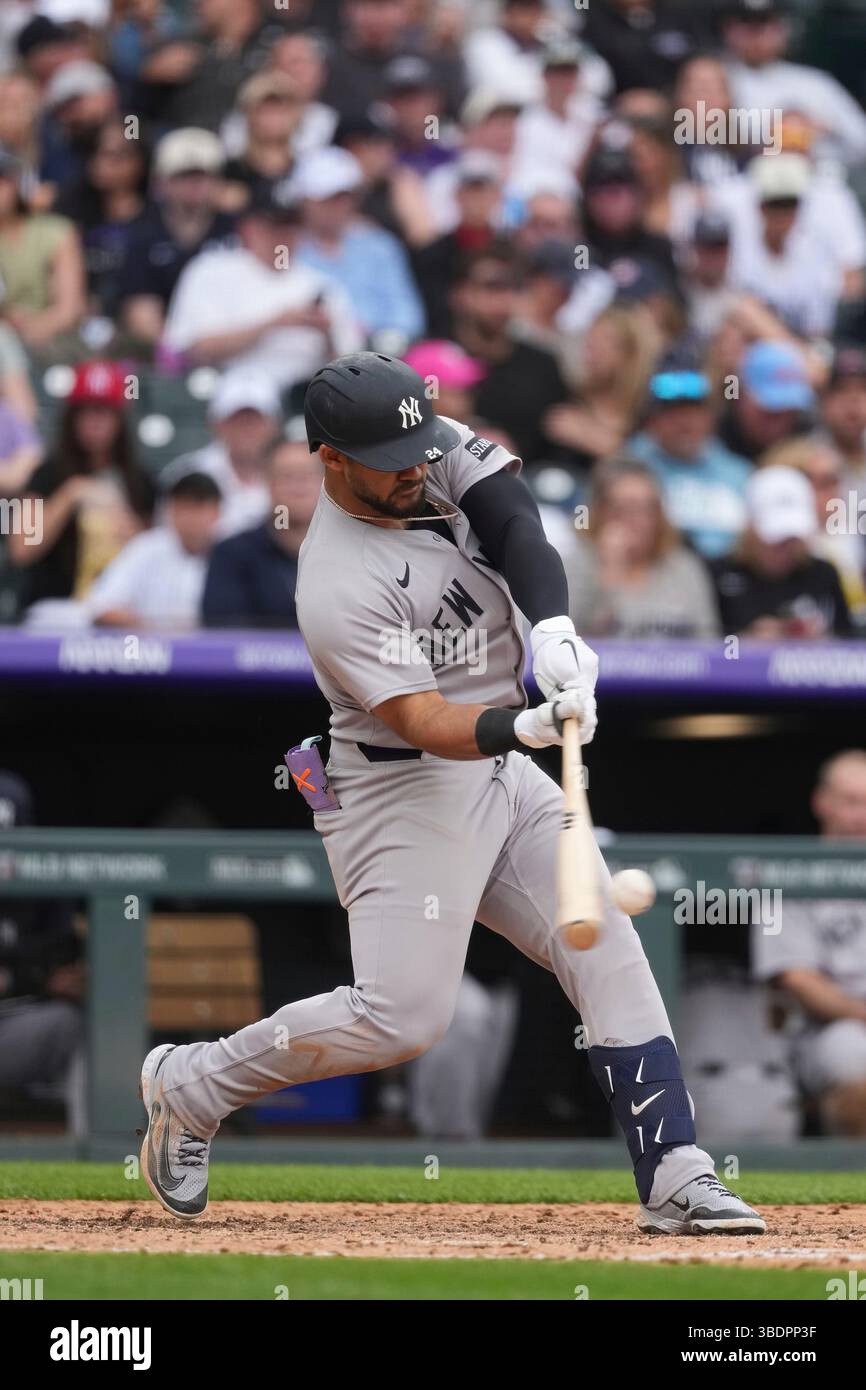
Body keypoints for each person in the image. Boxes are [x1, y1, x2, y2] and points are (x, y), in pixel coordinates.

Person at [139, 349, 765, 1235]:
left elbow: (511, 518)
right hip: (400, 790)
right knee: (403, 1018)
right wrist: (527, 727)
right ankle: (190, 1084)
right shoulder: (336, 584)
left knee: (607, 944)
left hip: (501, 768)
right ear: (331, 460)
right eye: (392, 466)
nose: (417, 472)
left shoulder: (416, 436)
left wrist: (550, 628)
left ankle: (676, 1171)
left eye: (422, 452)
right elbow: (426, 720)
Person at [161, 179, 362, 396]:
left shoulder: (322, 284)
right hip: (225, 390)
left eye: (291, 226)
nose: (284, 235)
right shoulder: (211, 270)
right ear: (249, 228)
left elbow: (351, 374)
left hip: (305, 395)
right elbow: (192, 350)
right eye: (275, 226)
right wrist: (274, 323)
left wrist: (326, 333)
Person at [753, 751, 866, 1135]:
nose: (861, 815)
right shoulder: (789, 873)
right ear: (823, 803)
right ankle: (855, 1187)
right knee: (851, 1052)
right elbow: (798, 979)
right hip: (827, 1030)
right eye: (852, 802)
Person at [9, 360, 153, 609]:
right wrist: (70, 494)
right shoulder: (46, 475)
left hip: (121, 611)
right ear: (72, 418)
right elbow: (22, 549)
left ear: (120, 420)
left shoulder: (140, 481)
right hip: (55, 609)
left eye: (104, 412)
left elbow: (159, 558)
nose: (95, 422)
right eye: (87, 411)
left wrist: (127, 525)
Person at [0, 772, 84, 1136]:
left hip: (17, 1024)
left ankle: (104, 1156)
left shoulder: (45, 884)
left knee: (76, 1026)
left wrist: (74, 976)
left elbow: (65, 959)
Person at [564, 456, 720, 640]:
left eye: (648, 508)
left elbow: (708, 642)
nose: (639, 520)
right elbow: (568, 645)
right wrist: (610, 572)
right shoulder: (574, 566)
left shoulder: (684, 567)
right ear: (600, 511)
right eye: (626, 508)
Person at [116, 126, 236, 349]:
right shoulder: (143, 235)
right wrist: (178, 352)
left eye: (203, 176)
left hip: (228, 344)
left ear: (218, 181)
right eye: (183, 177)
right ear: (161, 182)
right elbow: (140, 313)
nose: (195, 186)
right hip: (164, 354)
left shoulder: (237, 231)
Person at [294, 146, 425, 347]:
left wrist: (382, 338)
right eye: (326, 199)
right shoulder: (289, 248)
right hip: (310, 355)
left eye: (343, 197)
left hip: (378, 353)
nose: (336, 207)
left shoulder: (380, 245)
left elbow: (408, 314)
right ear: (304, 201)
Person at [450, 242, 568, 465]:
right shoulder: (435, 359)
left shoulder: (542, 366)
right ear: (461, 294)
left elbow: (557, 443)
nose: (503, 300)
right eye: (491, 287)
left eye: (512, 288)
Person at [710, 465, 854, 639]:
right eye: (775, 538)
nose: (785, 547)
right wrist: (745, 644)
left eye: (793, 537)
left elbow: (851, 649)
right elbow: (696, 652)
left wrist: (821, 643)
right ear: (750, 526)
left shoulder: (823, 575)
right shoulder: (717, 576)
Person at [628, 359, 752, 559]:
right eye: (672, 412)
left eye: (693, 411)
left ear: (710, 416)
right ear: (652, 419)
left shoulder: (740, 473)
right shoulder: (631, 468)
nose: (684, 422)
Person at [720, 0, 866, 168]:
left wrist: (826, 128)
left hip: (817, 182)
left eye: (765, 23)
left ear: (783, 29)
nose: (757, 34)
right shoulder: (713, 80)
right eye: (747, 24)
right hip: (738, 185)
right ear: (728, 30)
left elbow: (862, 141)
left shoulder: (815, 82)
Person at [201, 431, 322, 628]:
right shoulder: (232, 554)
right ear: (268, 484)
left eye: (307, 476)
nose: (299, 487)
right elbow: (222, 634)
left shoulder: (351, 552)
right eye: (288, 477)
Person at [86, 470, 222, 630]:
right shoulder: (146, 548)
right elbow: (101, 607)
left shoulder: (232, 555)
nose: (191, 519)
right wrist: (154, 632)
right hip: (147, 648)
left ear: (217, 512)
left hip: (212, 651)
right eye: (184, 508)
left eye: (199, 508)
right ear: (170, 510)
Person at [54, 117, 150, 318]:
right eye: (97, 153)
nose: (101, 163)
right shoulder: (70, 209)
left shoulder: (157, 215)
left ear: (138, 161)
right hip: (81, 318)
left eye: (114, 156)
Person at [174, 369, 281, 539]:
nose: (247, 429)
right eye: (237, 419)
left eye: (256, 419)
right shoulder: (188, 473)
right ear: (216, 424)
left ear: (274, 426)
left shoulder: (294, 475)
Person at [0, 147, 85, 353]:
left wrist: (26, 330)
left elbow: (69, 310)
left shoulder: (56, 231)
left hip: (50, 344)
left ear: (15, 183)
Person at [718, 338, 814, 462]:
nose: (780, 425)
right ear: (741, 395)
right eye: (771, 411)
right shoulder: (712, 438)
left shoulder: (806, 438)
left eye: (790, 411)